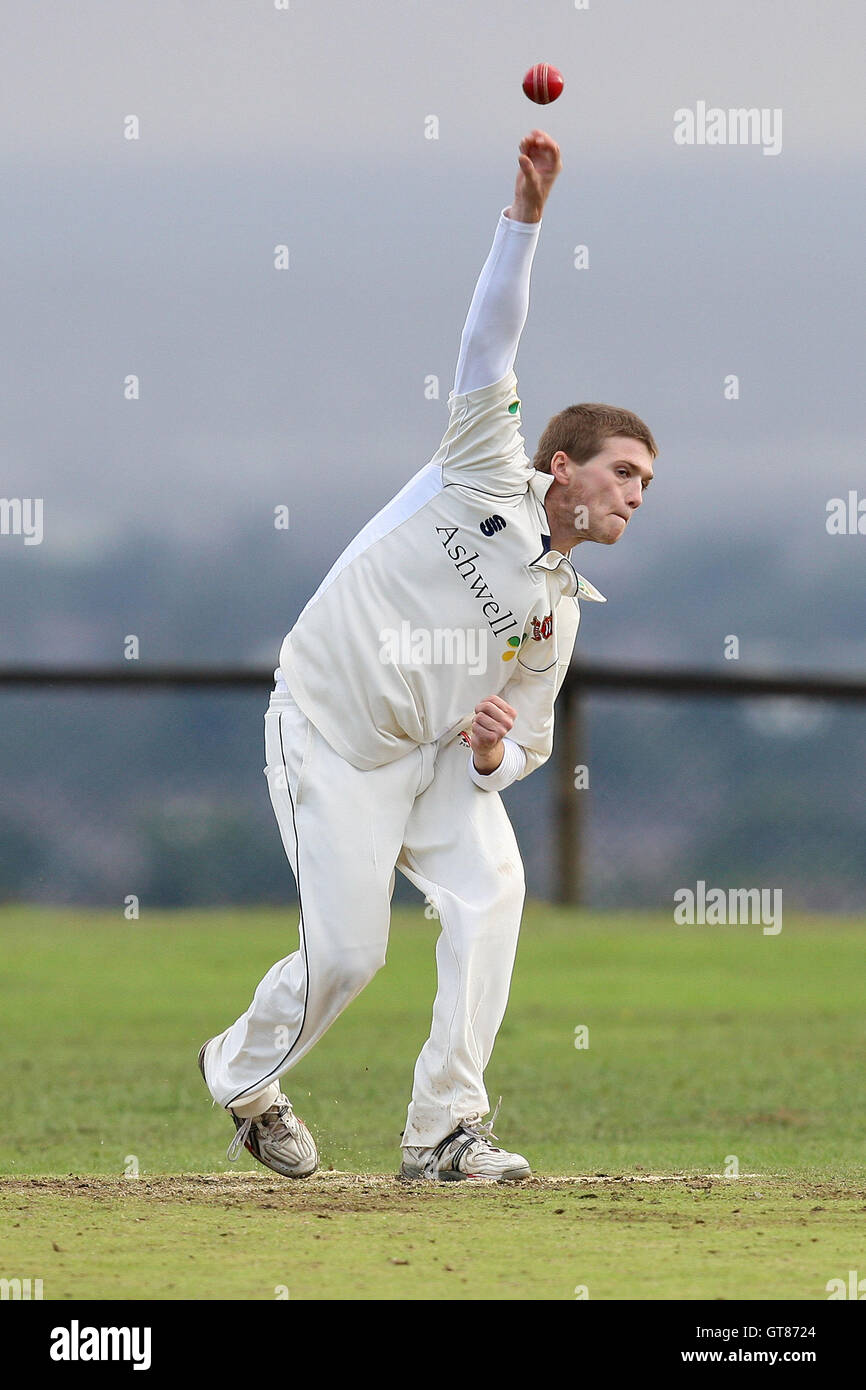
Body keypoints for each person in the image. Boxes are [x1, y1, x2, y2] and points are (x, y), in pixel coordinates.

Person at [198, 129, 658, 1182]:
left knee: (493, 890)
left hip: (431, 756)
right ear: (559, 464)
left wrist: (494, 754)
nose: (634, 493)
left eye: (646, 483)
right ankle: (239, 1072)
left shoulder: (557, 611)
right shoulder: (478, 462)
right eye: (623, 471)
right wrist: (525, 219)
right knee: (350, 955)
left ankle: (443, 1131)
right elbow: (487, 342)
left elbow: (526, 744)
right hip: (328, 728)